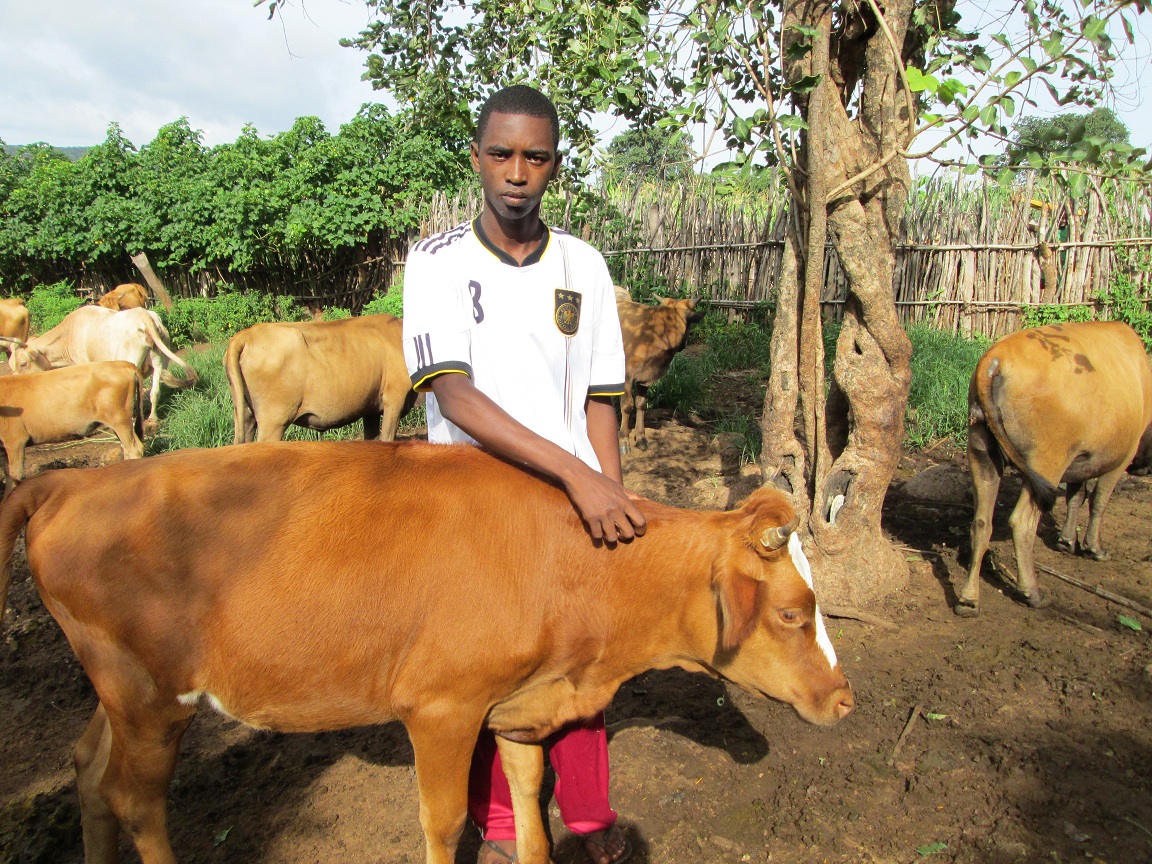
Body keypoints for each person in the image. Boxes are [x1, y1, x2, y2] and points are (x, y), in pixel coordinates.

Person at [401, 84, 644, 864]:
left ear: (555, 166)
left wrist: (611, 491)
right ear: (476, 158)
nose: (516, 172)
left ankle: (589, 814)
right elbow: (454, 395)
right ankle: (502, 820)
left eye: (534, 157)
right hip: (468, 508)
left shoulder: (584, 264)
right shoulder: (435, 261)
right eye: (501, 154)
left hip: (569, 502)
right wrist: (578, 475)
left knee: (578, 659)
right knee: (478, 664)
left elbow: (601, 395)